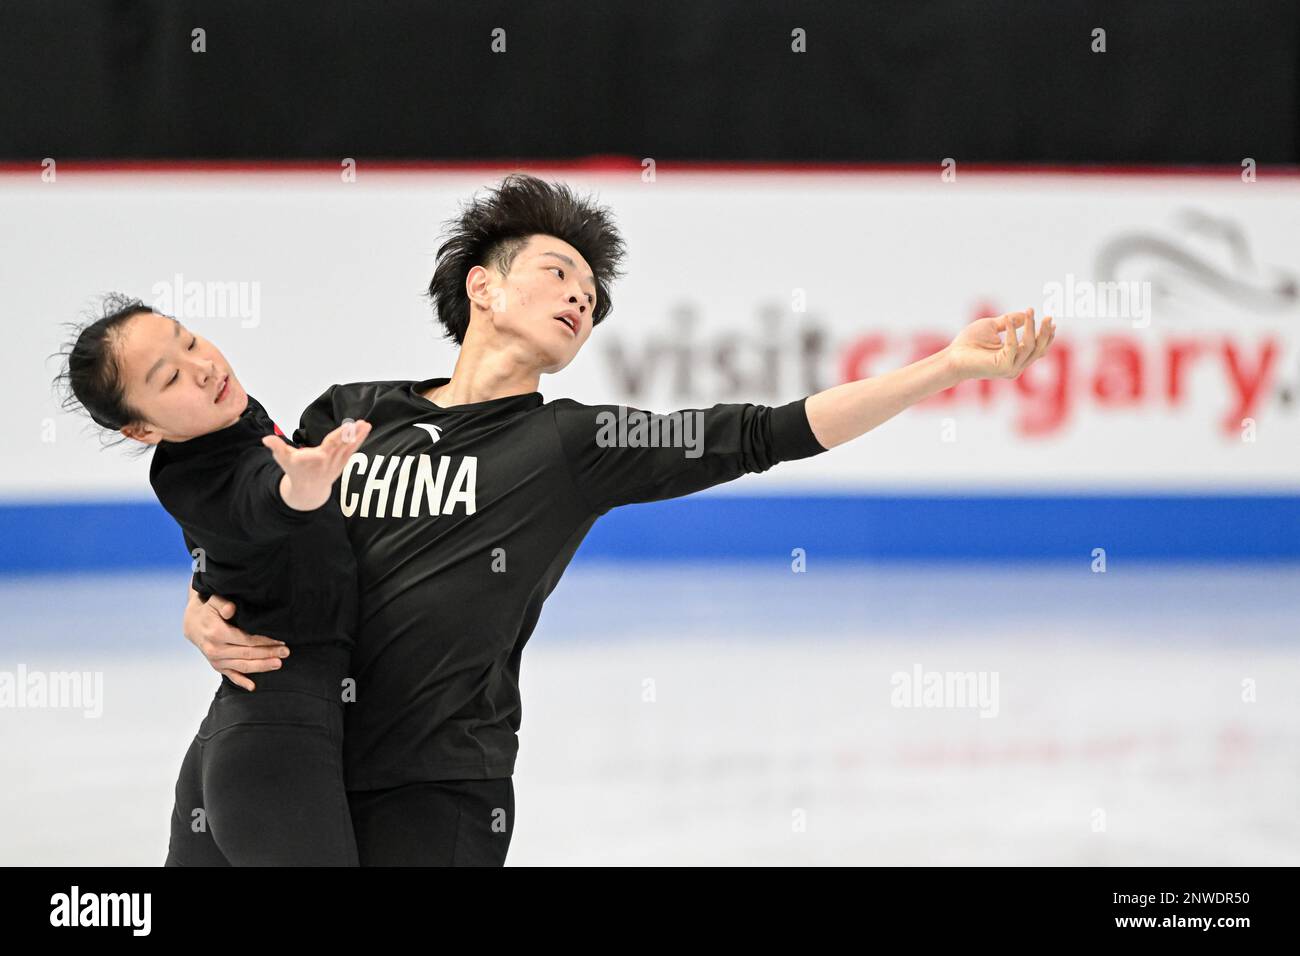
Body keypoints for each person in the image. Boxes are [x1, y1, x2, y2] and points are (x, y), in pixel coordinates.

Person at [183, 174, 1056, 866]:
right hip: (285, 750)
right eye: (559, 274)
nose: (580, 300)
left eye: (592, 298)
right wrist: (200, 601)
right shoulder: (352, 408)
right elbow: (249, 521)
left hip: (432, 786)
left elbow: (764, 433)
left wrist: (940, 368)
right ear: (482, 286)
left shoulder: (575, 442)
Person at [55, 296, 371, 865]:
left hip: (243, 743)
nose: (203, 367)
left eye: (190, 340)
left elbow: (226, 552)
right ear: (142, 429)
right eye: (171, 376)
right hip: (277, 751)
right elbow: (257, 500)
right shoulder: (204, 474)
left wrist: (197, 599)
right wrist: (302, 489)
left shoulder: (223, 427)